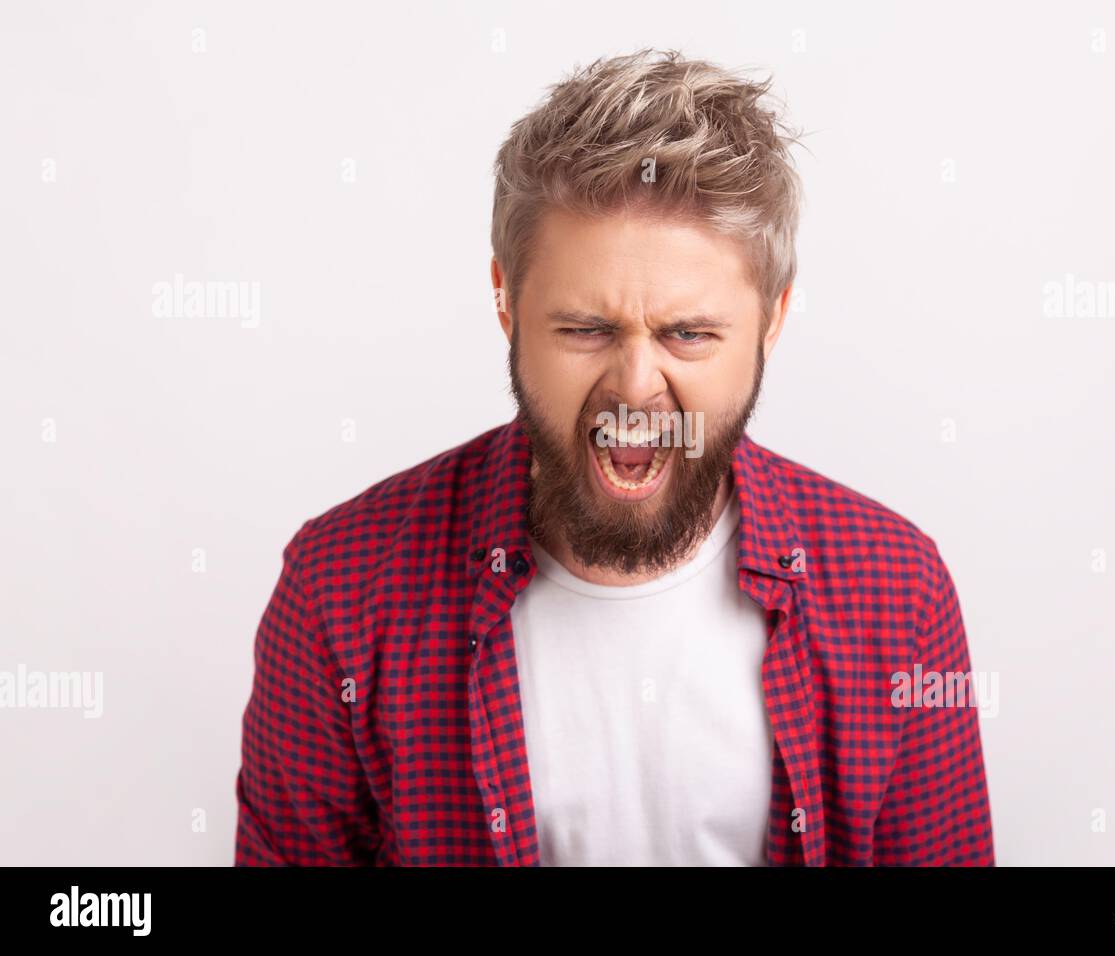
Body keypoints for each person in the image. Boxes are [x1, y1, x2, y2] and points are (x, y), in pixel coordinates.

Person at [235, 47, 994, 866]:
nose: (635, 390)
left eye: (689, 335)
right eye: (586, 330)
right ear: (506, 303)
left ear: (772, 320)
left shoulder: (896, 588)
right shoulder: (339, 589)